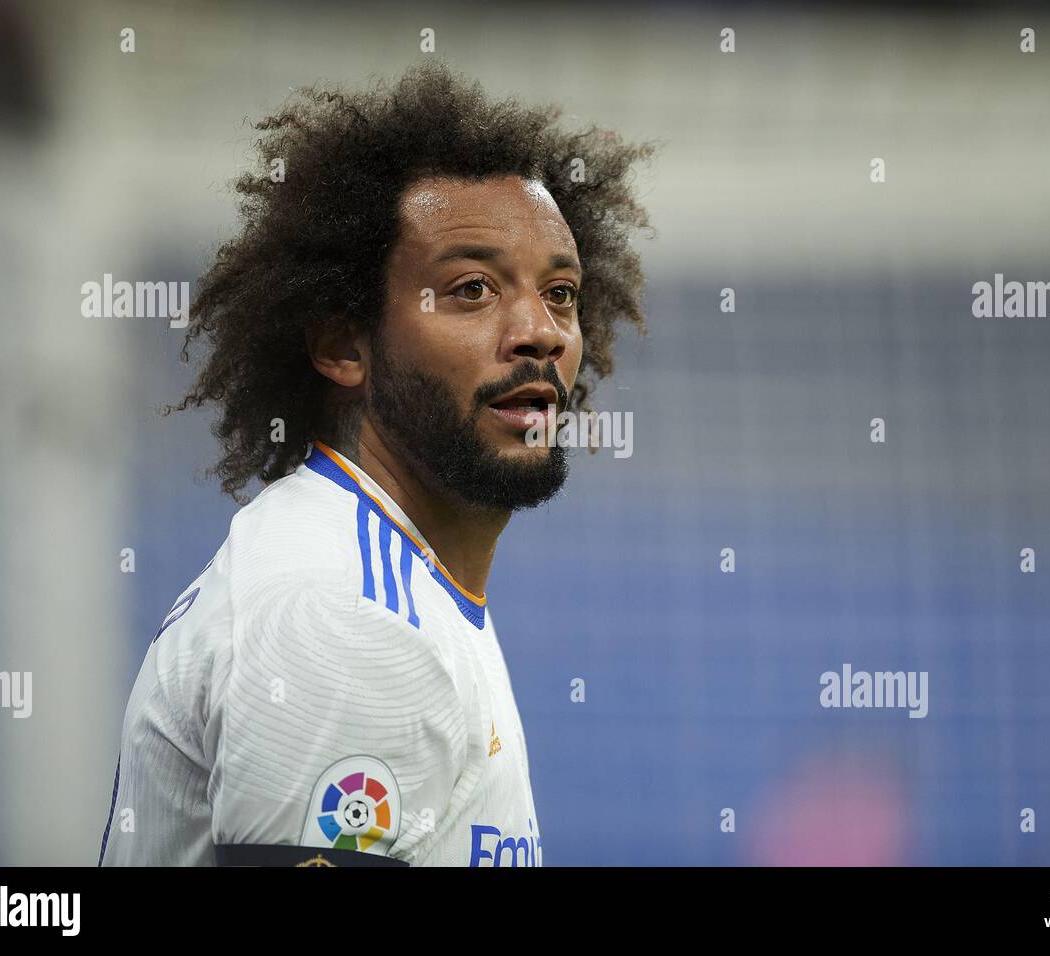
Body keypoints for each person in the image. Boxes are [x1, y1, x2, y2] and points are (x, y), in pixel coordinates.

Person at [98, 61, 653, 866]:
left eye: (560, 292)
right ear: (343, 345)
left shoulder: (395, 580)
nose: (540, 331)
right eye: (472, 288)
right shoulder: (348, 623)